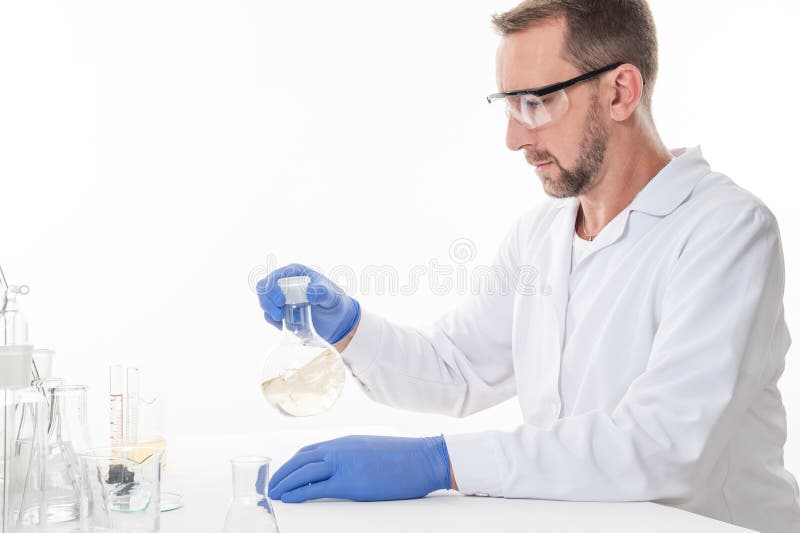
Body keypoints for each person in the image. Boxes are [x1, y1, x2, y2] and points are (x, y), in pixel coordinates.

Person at [256, 1, 800, 531]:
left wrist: (438, 462)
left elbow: (660, 446)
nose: (514, 137)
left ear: (620, 91)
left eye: (535, 102)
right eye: (509, 106)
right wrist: (349, 327)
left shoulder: (726, 231)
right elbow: (459, 368)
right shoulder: (541, 234)